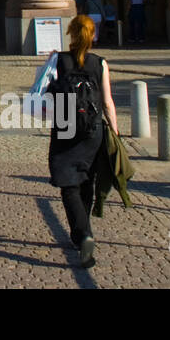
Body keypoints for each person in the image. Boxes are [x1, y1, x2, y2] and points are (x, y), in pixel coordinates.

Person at [47, 14, 118, 268]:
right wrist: (116, 132)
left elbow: (44, 97)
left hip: (66, 125)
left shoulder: (58, 60)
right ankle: (83, 231)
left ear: (71, 34)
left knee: (69, 183)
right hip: (93, 128)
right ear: (92, 35)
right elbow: (108, 101)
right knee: (87, 178)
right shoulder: (100, 63)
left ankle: (82, 234)